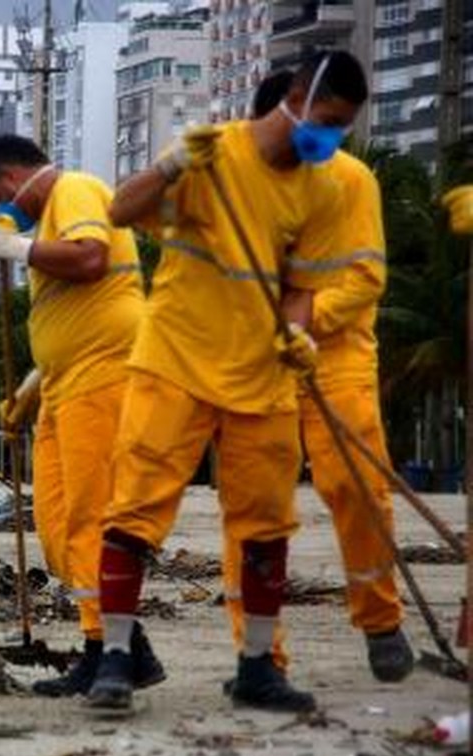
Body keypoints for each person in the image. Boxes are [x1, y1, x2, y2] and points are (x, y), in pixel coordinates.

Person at [87, 51, 368, 713]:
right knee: (134, 512)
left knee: (267, 527)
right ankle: (116, 659)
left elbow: (304, 288)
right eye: (326, 120)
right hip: (177, 359)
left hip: (264, 371)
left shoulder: (323, 187)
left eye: (342, 128)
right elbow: (123, 211)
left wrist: (299, 333)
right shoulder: (215, 156)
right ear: (295, 100)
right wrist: (170, 165)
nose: (329, 139)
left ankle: (257, 667)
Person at [216, 70, 413, 684]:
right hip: (256, 367)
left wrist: (305, 324)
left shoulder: (352, 181)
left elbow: (365, 279)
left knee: (356, 487)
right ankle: (258, 654)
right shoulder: (235, 178)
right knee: (250, 508)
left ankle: (379, 618)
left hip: (338, 356)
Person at [0, 134, 164, 697]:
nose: (0, 208)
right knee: (58, 528)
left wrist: (17, 249)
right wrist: (30, 391)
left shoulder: (75, 189)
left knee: (91, 519)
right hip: (64, 385)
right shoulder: (50, 213)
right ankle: (122, 647)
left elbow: (91, 257)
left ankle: (107, 655)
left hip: (104, 377)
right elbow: (66, 320)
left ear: (11, 179)